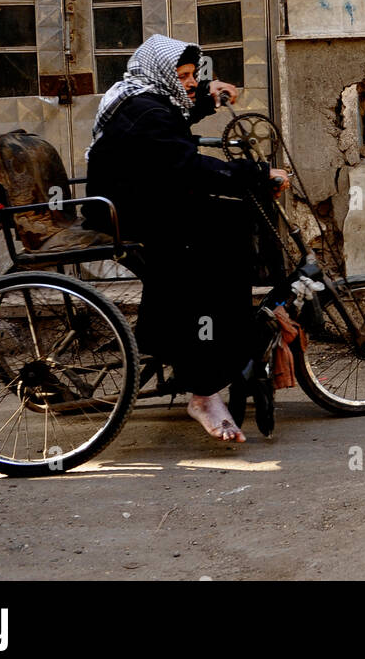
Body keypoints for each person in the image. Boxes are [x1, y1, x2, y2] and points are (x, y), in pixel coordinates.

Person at [84, 34, 289, 444]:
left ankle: (222, 351)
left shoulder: (140, 96)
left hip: (141, 202)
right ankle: (203, 389)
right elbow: (184, 162)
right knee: (212, 267)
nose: (192, 81)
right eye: (184, 76)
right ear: (162, 75)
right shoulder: (146, 112)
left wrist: (206, 99)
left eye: (194, 75)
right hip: (132, 215)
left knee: (231, 223)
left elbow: (173, 122)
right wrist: (256, 175)